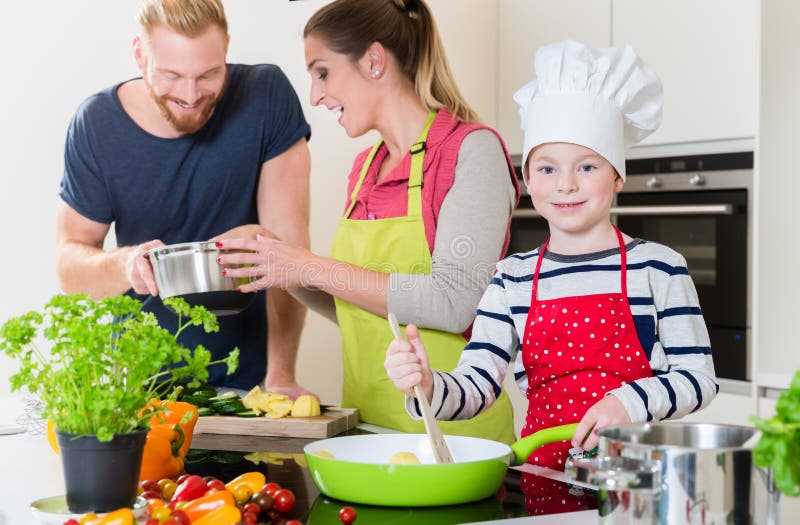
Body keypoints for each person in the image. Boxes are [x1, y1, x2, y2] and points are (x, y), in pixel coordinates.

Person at [384, 40, 718, 469]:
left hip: (637, 483)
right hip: (544, 479)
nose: (566, 185)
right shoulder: (511, 279)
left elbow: (697, 379)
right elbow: (478, 385)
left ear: (617, 176)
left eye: (587, 167)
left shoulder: (658, 268)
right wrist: (428, 387)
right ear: (527, 180)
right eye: (547, 168)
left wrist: (629, 403)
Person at [217, 0, 519, 443]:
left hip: (457, 440)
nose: (315, 95)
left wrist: (307, 265)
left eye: (322, 72)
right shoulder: (366, 169)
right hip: (369, 432)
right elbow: (362, 311)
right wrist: (276, 261)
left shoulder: (471, 152)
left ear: (374, 61)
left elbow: (456, 304)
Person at [55, 0, 313, 397]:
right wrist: (125, 263)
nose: (191, 95)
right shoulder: (96, 125)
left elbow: (290, 252)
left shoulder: (266, 96)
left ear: (226, 47)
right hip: (139, 390)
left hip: (245, 390)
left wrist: (281, 375)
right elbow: (69, 268)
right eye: (172, 76)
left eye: (208, 75)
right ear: (140, 54)